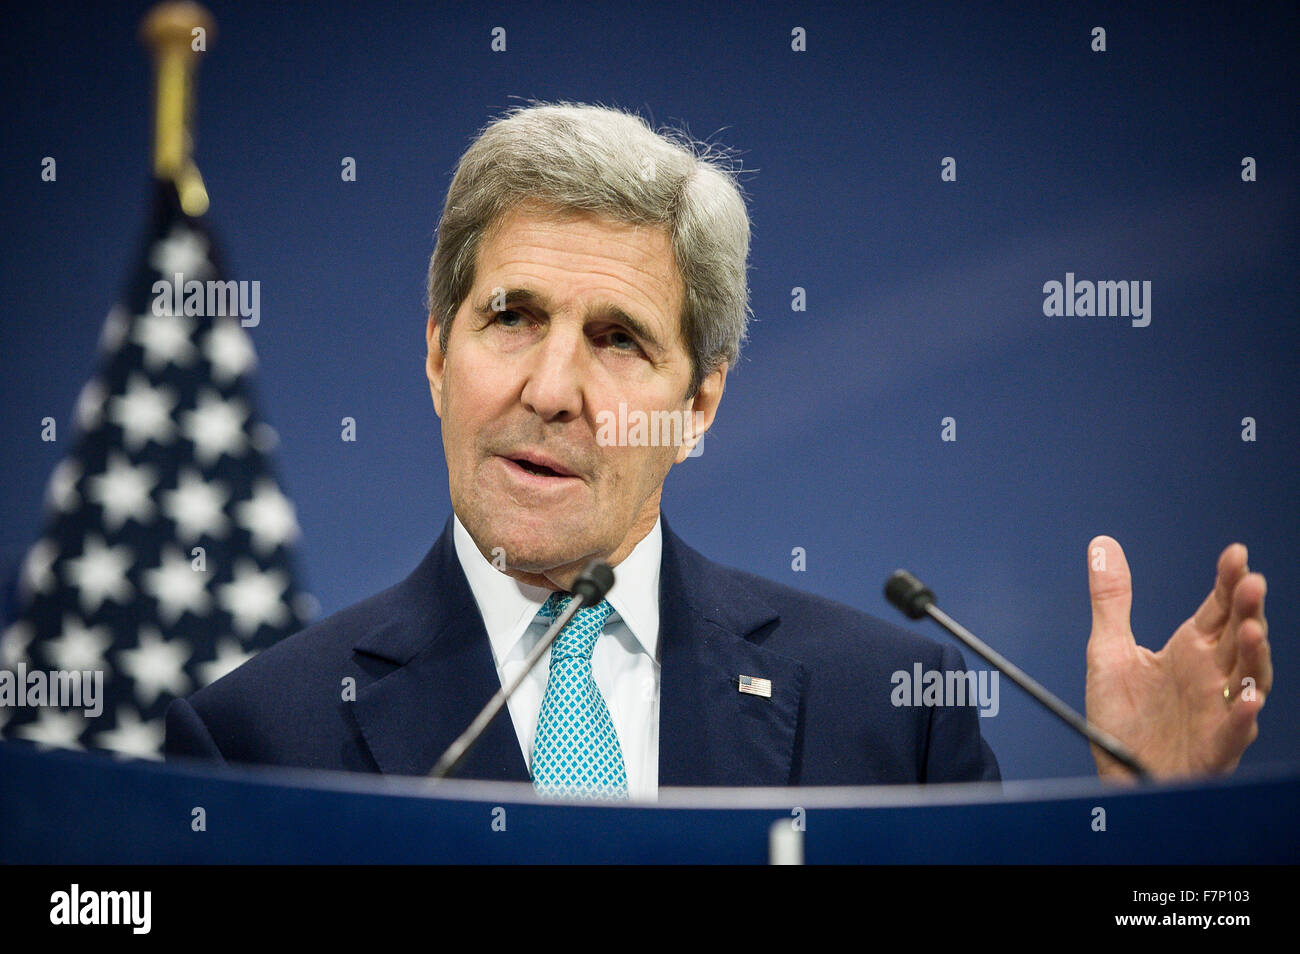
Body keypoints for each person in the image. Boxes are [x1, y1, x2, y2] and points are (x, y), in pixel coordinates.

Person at [164, 102, 1272, 798]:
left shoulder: (890, 714)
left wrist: (1152, 838)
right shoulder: (259, 741)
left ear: (699, 404)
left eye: (616, 340)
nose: (551, 391)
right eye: (510, 318)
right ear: (435, 353)